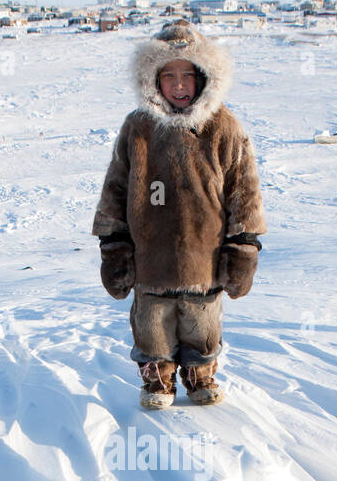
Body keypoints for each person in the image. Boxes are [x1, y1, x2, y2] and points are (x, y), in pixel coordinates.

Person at [92, 20, 266, 408]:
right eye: (168, 75)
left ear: (205, 77)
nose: (179, 84)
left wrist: (243, 246)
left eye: (187, 74)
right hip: (149, 263)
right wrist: (113, 244)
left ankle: (200, 376)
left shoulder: (224, 127)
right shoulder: (138, 128)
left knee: (202, 327)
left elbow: (245, 189)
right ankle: (157, 382)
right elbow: (116, 188)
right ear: (152, 80)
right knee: (151, 329)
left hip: (204, 262)